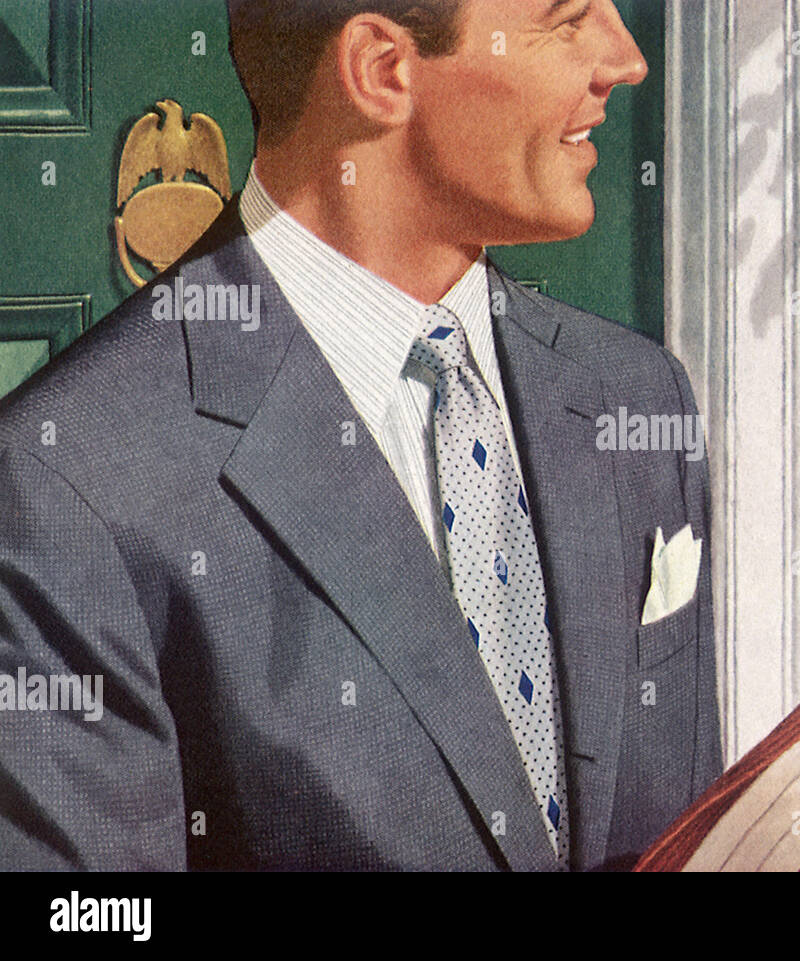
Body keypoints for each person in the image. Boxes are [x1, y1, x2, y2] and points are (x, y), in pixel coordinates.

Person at [0, 0, 721, 870]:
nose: (625, 59)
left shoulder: (637, 398)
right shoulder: (66, 481)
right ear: (381, 69)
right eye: (566, 19)